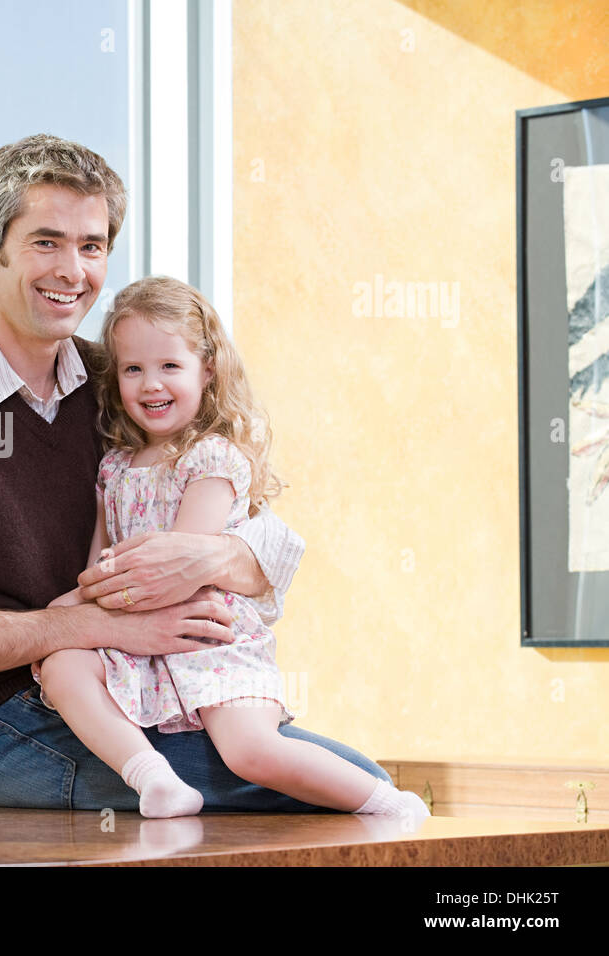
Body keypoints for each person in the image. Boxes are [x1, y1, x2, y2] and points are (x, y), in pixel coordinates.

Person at [0, 133, 397, 811]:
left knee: (344, 784)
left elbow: (269, 541)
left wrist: (208, 556)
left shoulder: (124, 380)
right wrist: (92, 626)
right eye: (47, 241)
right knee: (340, 791)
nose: (72, 270)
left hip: (143, 685)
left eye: (92, 245)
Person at [35, 276, 429, 821]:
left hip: (203, 635)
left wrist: (90, 605)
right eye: (134, 369)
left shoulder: (210, 459)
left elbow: (184, 565)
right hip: (136, 635)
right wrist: (71, 609)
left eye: (170, 366)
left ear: (207, 370)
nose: (152, 384)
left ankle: (391, 805)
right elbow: (99, 567)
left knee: (248, 751)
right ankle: (154, 780)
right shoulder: (114, 468)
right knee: (62, 665)